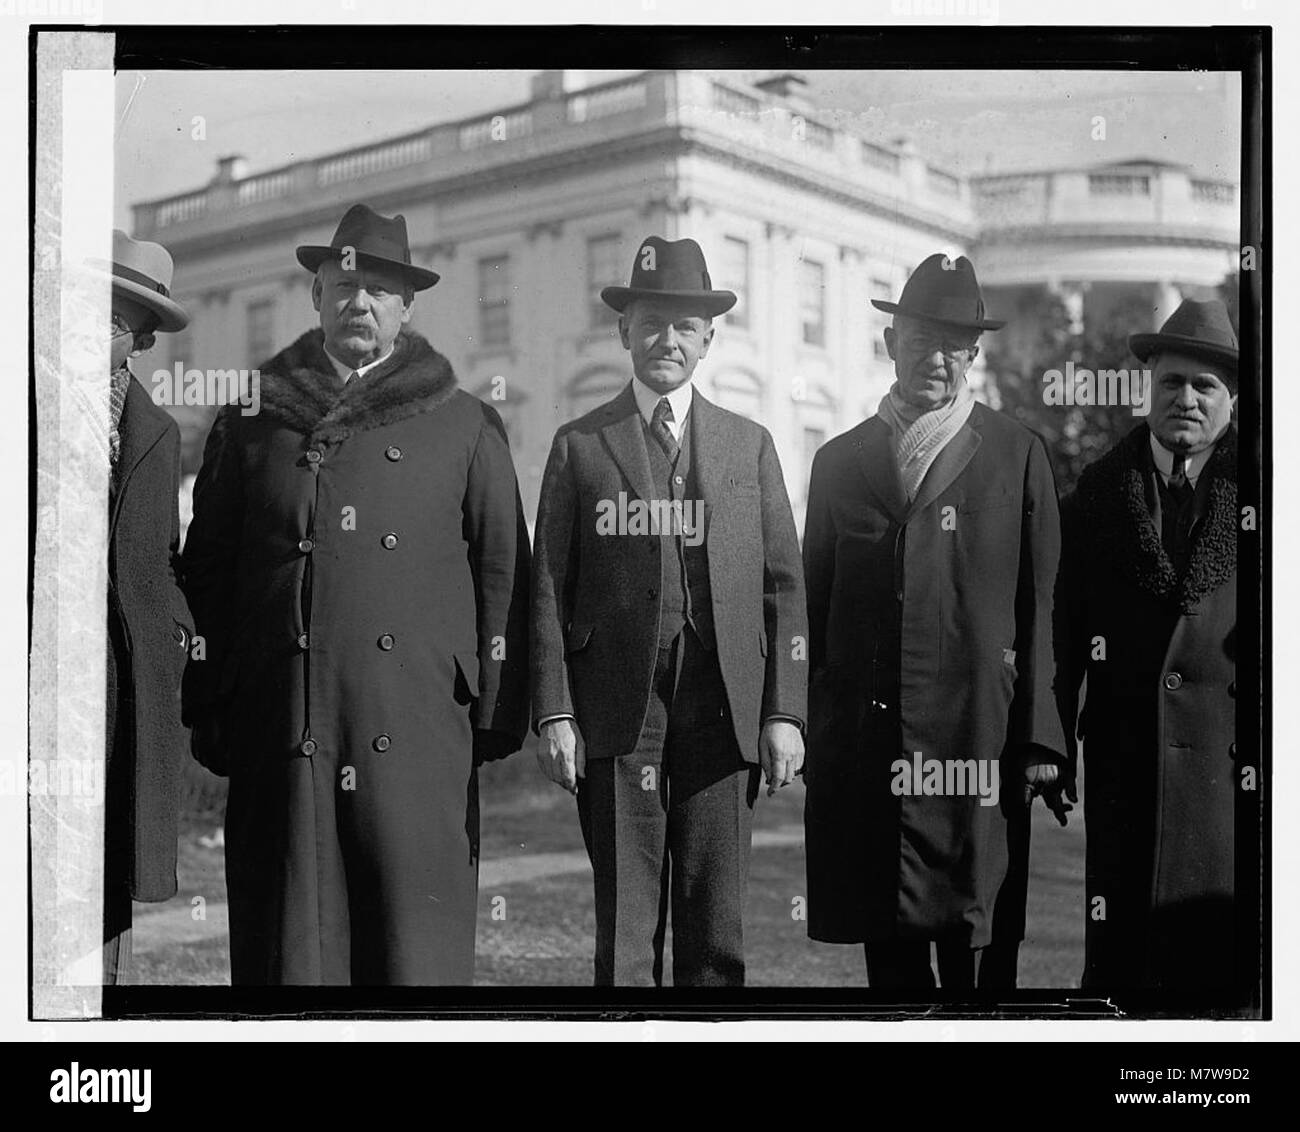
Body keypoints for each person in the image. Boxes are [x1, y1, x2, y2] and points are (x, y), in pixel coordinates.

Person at [181, 203, 530, 985]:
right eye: (342, 285)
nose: (358, 302)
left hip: (414, 729)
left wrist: (497, 707)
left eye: (378, 288)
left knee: (412, 951)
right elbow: (208, 571)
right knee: (291, 952)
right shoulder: (249, 423)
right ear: (315, 296)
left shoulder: (466, 423)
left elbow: (505, 571)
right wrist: (211, 701)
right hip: (285, 728)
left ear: (407, 305)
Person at [531, 236, 807, 986]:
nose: (667, 340)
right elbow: (547, 588)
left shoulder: (748, 447)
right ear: (624, 332)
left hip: (725, 710)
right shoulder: (580, 447)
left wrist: (784, 712)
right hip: (619, 711)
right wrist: (554, 711)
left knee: (717, 928)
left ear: (709, 340)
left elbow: (785, 586)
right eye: (652, 322)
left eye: (685, 327)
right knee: (625, 933)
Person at [802, 253, 1068, 990]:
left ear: (974, 356)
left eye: (955, 343)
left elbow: (1045, 606)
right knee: (888, 961)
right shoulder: (838, 462)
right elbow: (812, 609)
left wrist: (1041, 737)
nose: (936, 356)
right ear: (892, 343)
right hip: (869, 746)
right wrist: (809, 719)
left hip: (977, 743)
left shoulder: (1016, 455)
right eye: (921, 337)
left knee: (979, 959)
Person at [1055, 298, 1240, 992]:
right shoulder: (1094, 500)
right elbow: (1061, 637)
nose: (1186, 400)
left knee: (1221, 974)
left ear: (1231, 399)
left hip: (1230, 778)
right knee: (1123, 970)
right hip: (1124, 770)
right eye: (1172, 383)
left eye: (1205, 387)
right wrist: (1050, 749)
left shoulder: (1269, 497)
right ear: (1149, 387)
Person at [95, 231, 195, 984]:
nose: (91, 327)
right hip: (43, 672)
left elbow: (163, 557)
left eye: (115, 319)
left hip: (128, 683)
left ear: (144, 339)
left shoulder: (158, 433)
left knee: (111, 853)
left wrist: (172, 632)